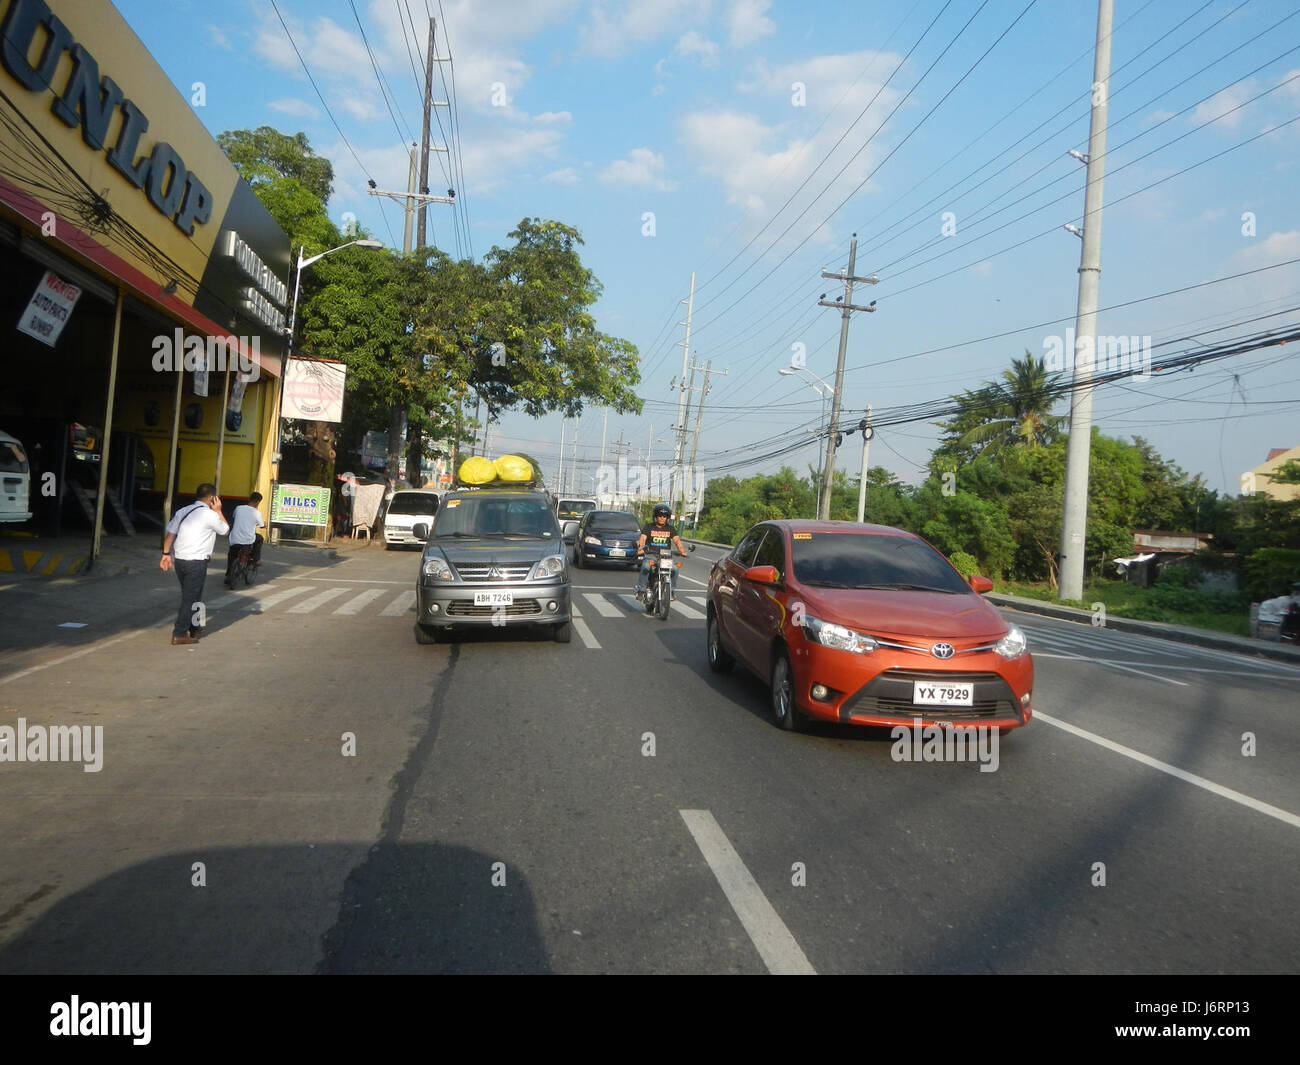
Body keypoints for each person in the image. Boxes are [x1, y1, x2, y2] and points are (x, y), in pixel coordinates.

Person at [160, 484, 229, 645]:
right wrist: (218, 510)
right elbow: (226, 530)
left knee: (194, 595)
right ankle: (179, 633)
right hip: (196, 562)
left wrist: (165, 554)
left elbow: (171, 533)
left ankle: (195, 627)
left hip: (180, 561)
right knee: (190, 598)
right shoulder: (211, 515)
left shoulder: (183, 511)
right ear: (212, 498)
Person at [635, 503, 689, 600]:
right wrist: (641, 548)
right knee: (646, 566)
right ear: (655, 516)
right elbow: (642, 538)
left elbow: (677, 540)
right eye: (660, 515)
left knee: (675, 569)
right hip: (651, 555)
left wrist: (682, 551)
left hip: (666, 557)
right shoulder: (649, 527)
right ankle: (641, 590)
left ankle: (671, 591)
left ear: (667, 517)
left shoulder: (670, 529)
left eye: (665, 516)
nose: (662, 518)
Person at [225, 491, 266, 586]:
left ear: (249, 499)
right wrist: (264, 525)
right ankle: (256, 559)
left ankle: (228, 575)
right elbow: (262, 525)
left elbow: (235, 517)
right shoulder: (257, 513)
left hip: (234, 539)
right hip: (248, 540)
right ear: (258, 502)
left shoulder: (238, 508)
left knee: (232, 555)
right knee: (259, 538)